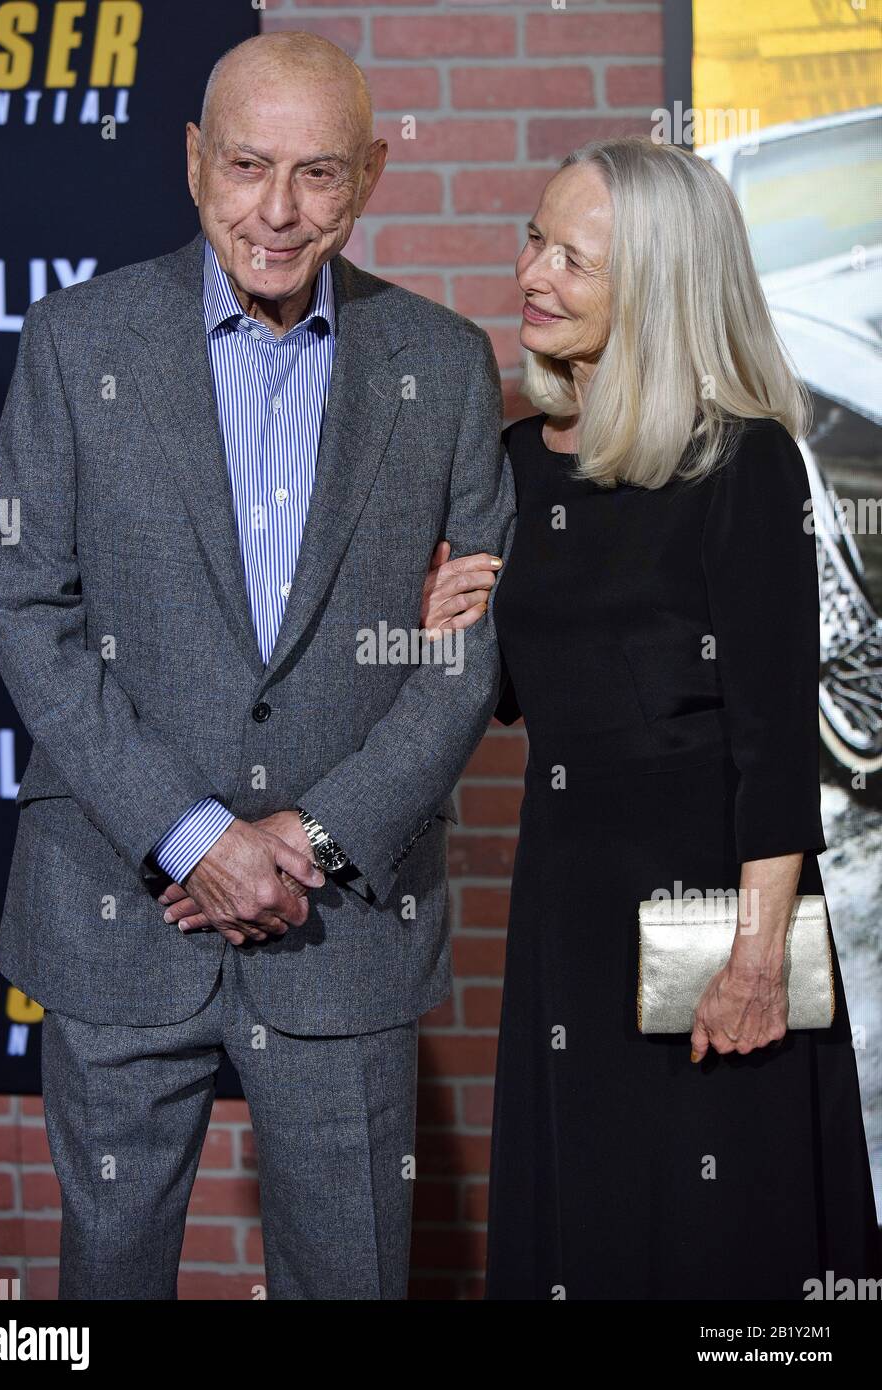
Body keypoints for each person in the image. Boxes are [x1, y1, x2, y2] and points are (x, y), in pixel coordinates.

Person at [0, 32, 514, 1301]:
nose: (276, 211)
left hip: (342, 926)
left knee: (351, 1275)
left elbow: (461, 654)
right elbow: (24, 604)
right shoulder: (73, 341)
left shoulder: (441, 366)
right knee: (101, 1286)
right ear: (190, 161)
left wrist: (311, 840)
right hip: (115, 901)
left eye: (318, 174)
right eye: (247, 165)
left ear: (371, 176)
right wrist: (192, 832)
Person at [421, 137, 881, 1299]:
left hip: (716, 908)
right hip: (569, 897)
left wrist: (754, 956)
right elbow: (524, 697)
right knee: (598, 1214)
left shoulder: (743, 462)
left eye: (574, 259)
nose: (532, 272)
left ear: (659, 290)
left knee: (719, 1235)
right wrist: (449, 622)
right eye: (535, 238)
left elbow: (776, 743)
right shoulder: (518, 461)